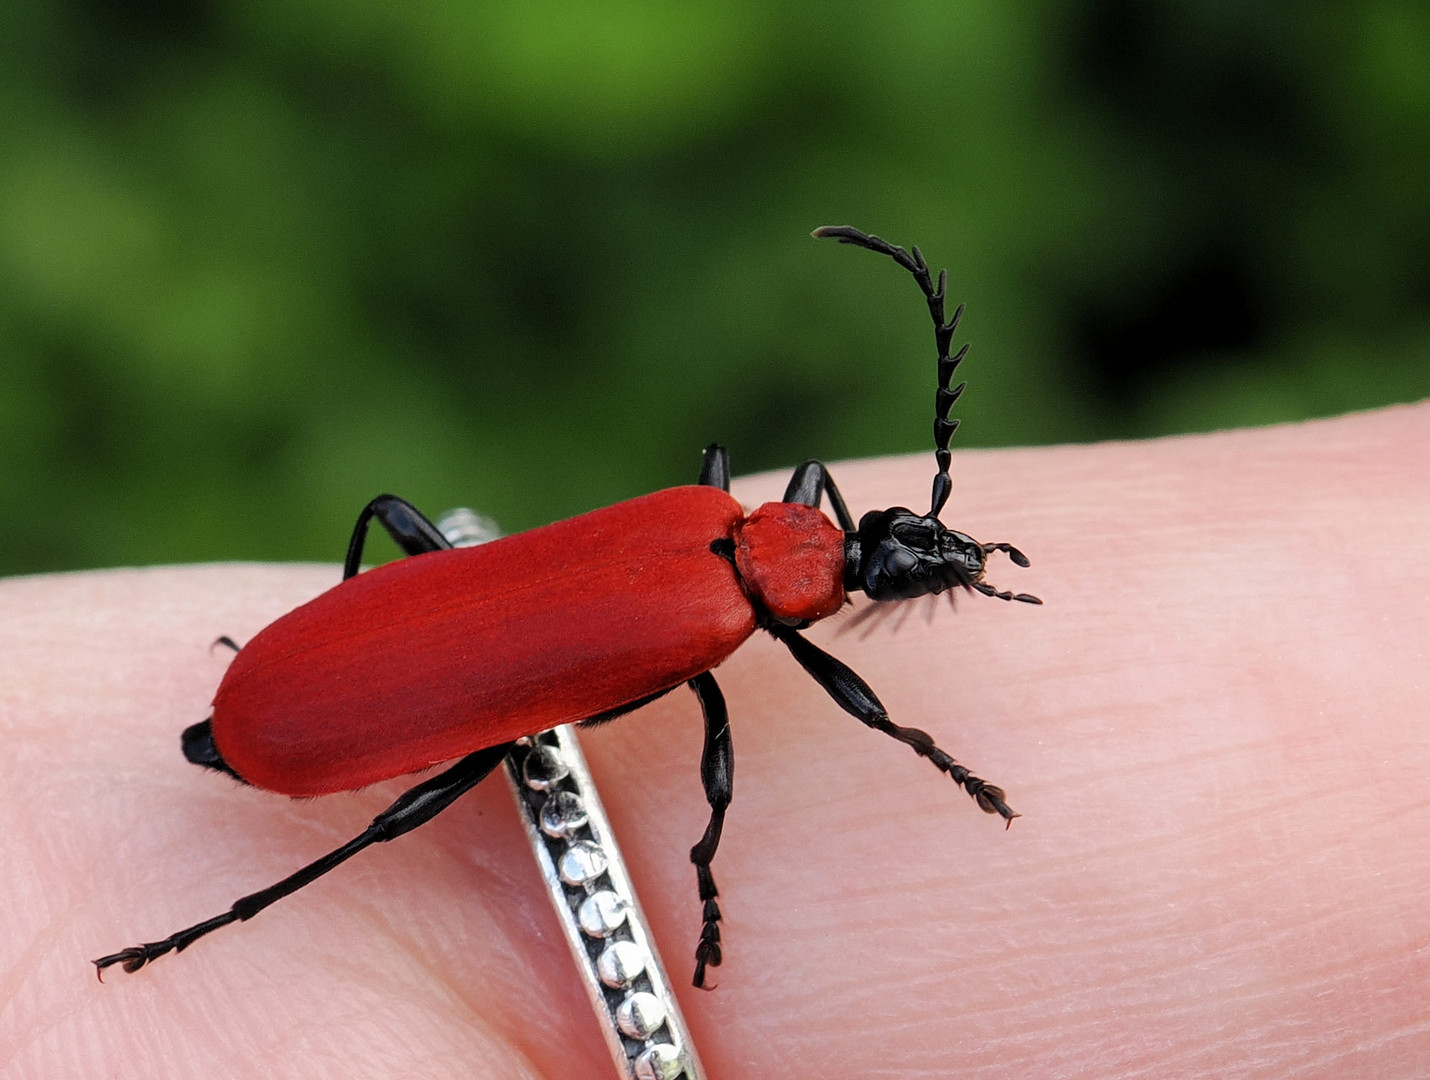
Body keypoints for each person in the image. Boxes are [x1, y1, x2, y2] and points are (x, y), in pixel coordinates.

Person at [3, 402, 1427, 1078]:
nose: (884, 553)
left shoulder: (710, 515)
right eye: (882, 554)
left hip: (334, 672)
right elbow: (716, 784)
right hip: (322, 703)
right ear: (840, 562)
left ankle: (213, 898)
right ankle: (209, 923)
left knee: (391, 520)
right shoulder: (717, 615)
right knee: (395, 821)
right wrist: (732, 867)